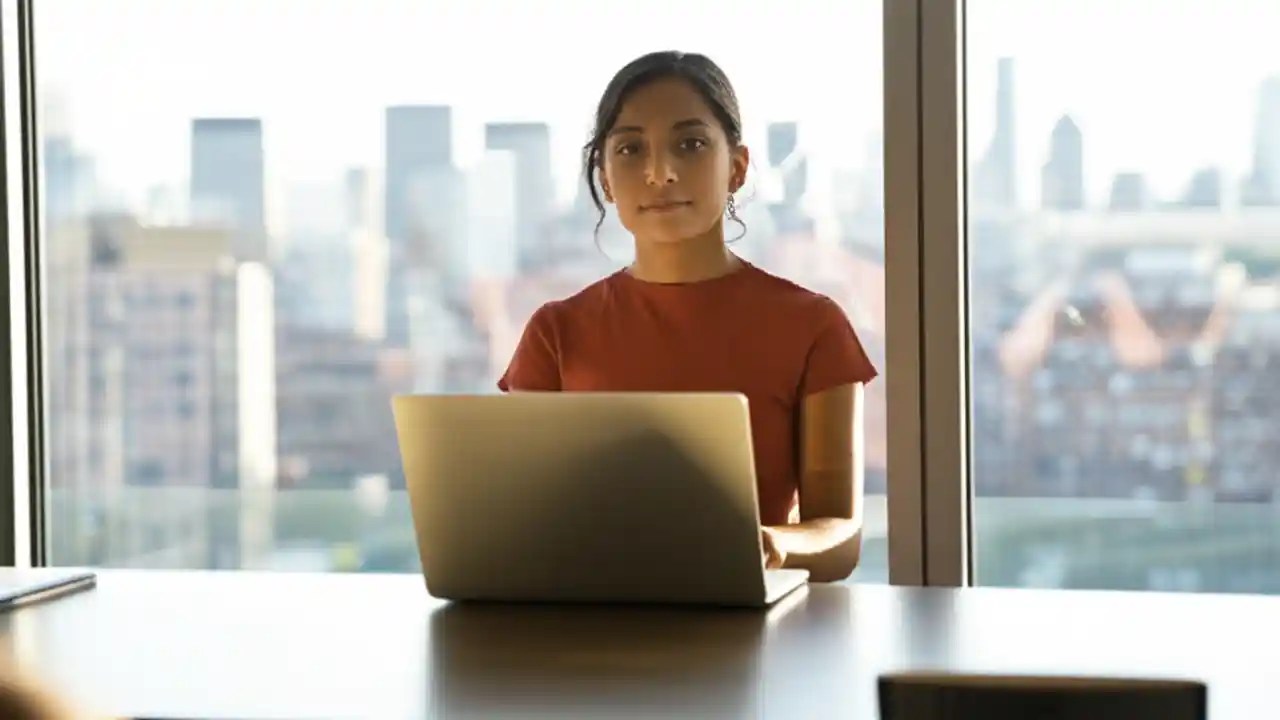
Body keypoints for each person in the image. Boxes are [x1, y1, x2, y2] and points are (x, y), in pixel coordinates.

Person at [498, 50, 878, 583]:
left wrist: (769, 545)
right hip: (586, 631)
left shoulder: (813, 325)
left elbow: (838, 534)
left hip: (751, 633)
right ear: (606, 179)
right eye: (630, 149)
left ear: (738, 167)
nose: (660, 172)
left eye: (691, 144)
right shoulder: (555, 332)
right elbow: (523, 518)